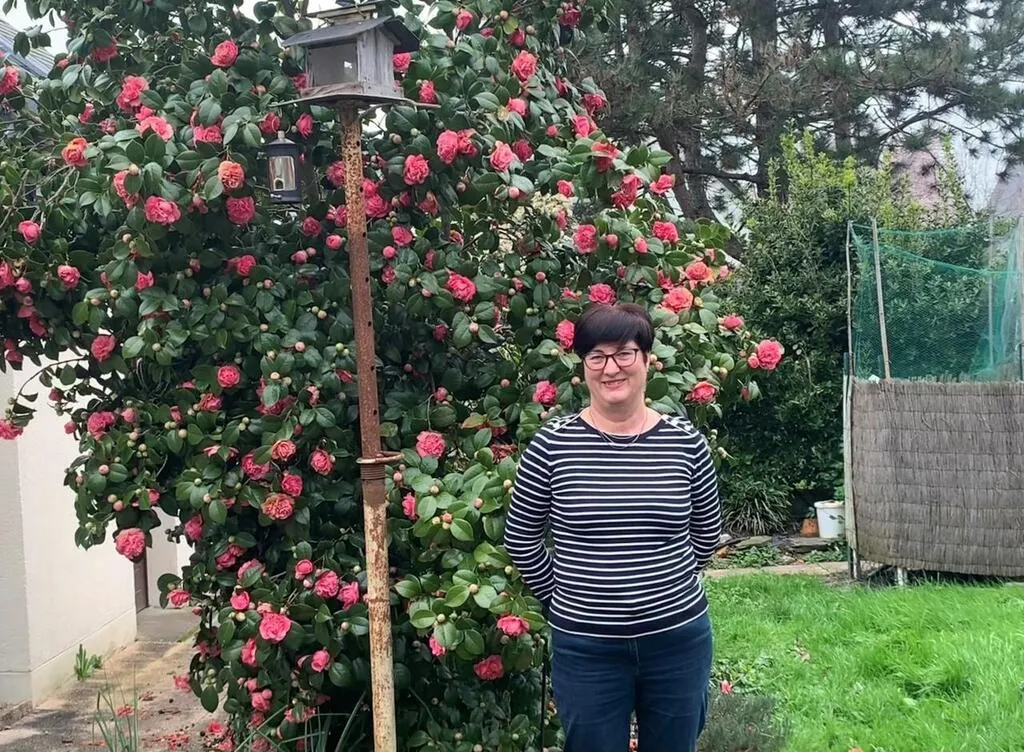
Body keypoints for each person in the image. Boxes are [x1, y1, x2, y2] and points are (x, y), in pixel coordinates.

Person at [504, 302, 722, 752]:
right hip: (587, 649)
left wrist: (668, 585)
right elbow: (521, 536)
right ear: (583, 366)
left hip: (677, 643)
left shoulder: (686, 443)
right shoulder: (552, 446)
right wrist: (562, 596)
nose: (611, 368)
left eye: (624, 353)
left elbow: (706, 532)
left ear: (646, 359)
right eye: (597, 356)